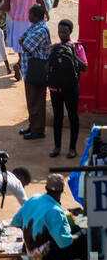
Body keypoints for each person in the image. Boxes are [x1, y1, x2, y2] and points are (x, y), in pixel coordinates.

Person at [7, 173, 87, 260]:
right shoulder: (55, 211)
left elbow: (16, 221)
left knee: (73, 228)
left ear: (46, 187)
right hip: (44, 257)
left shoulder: (33, 198)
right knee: (83, 237)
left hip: (29, 249)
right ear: (62, 191)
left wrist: (32, 232)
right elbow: (64, 242)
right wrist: (81, 233)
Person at [47, 18, 87, 159]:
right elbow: (47, 67)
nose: (62, 34)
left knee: (72, 117)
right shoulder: (54, 47)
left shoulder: (77, 47)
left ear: (70, 31)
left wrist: (73, 55)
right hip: (55, 89)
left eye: (65, 32)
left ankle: (72, 148)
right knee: (57, 118)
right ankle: (57, 147)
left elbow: (85, 67)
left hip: (71, 88)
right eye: (60, 32)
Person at [18, 3, 51, 141]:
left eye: (30, 14)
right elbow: (23, 39)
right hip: (29, 68)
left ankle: (38, 130)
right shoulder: (36, 27)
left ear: (36, 16)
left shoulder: (41, 30)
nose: (28, 16)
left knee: (37, 100)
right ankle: (32, 126)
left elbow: (25, 45)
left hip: (37, 69)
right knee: (31, 99)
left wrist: (24, 42)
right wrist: (24, 41)